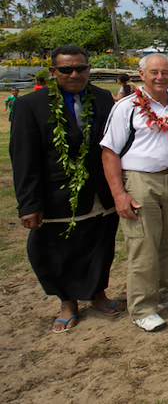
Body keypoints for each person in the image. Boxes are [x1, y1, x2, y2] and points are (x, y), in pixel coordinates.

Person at [11, 44, 122, 334]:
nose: (75, 74)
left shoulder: (103, 100)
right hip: (56, 195)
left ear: (89, 69)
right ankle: (68, 302)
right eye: (66, 69)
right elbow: (23, 158)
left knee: (101, 243)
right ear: (53, 72)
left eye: (81, 68)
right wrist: (29, 203)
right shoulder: (30, 106)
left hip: (100, 191)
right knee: (58, 249)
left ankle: (98, 294)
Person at [100, 53, 168, 332]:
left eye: (165, 72)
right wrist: (119, 194)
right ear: (141, 75)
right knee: (143, 245)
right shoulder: (127, 107)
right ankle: (142, 307)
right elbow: (109, 152)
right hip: (141, 181)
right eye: (154, 72)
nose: (160, 77)